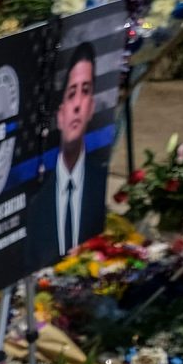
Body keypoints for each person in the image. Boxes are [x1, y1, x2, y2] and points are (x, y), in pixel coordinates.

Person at [27, 40, 112, 272]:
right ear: (60, 112)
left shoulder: (97, 181)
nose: (77, 105)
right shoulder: (35, 197)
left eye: (85, 91)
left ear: (92, 106)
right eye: (71, 93)